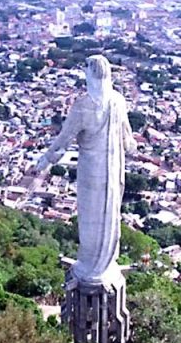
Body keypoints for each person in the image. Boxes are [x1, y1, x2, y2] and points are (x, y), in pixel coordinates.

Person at [32, 55, 137, 284]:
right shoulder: (118, 100)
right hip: (114, 168)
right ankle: (104, 261)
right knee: (110, 214)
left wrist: (46, 160)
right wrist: (131, 146)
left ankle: (91, 263)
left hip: (92, 170)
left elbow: (64, 138)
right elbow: (128, 139)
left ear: (90, 74)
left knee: (90, 216)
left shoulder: (83, 106)